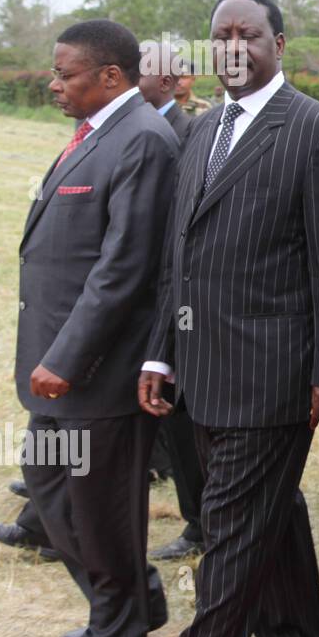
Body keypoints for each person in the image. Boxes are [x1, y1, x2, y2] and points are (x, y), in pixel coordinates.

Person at [139, 0, 319, 637]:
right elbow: (176, 253)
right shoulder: (203, 128)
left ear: (280, 46)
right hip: (199, 373)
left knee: (231, 536)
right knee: (272, 521)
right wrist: (160, 352)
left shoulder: (318, 130)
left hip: (273, 381)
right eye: (220, 37)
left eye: (247, 35)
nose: (231, 49)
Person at [17, 18, 178, 637]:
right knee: (47, 482)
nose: (53, 85)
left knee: (101, 509)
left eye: (65, 74)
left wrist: (69, 356)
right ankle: (134, 597)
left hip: (97, 372)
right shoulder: (92, 134)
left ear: (111, 76)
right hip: (57, 368)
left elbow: (125, 267)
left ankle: (117, 630)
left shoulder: (143, 140)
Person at [132, 39, 207, 561]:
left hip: (182, 293)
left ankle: (204, 523)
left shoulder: (186, 131)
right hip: (158, 297)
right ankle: (195, 519)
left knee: (187, 418)